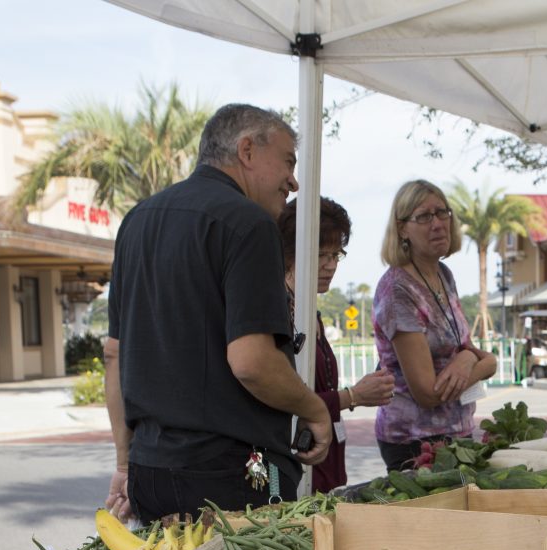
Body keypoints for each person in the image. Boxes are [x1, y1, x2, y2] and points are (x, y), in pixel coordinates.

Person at [103, 102, 331, 525]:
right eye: (287, 162)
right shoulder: (249, 224)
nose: (293, 181)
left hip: (150, 471)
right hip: (232, 475)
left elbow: (114, 355)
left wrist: (125, 463)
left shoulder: (136, 221)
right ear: (246, 151)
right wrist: (314, 408)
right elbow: (251, 362)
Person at [372, 180, 498, 471]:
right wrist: (485, 364)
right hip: (414, 442)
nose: (438, 224)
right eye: (424, 217)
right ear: (402, 228)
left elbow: (463, 349)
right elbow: (428, 393)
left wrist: (468, 357)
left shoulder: (443, 274)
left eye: (442, 213)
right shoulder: (397, 291)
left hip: (456, 433)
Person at [275, 197, 393, 492]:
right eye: (320, 255)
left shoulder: (308, 311)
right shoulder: (279, 312)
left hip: (326, 467)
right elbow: (285, 398)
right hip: (296, 471)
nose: (330, 266)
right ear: (291, 253)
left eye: (336, 255)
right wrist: (353, 395)